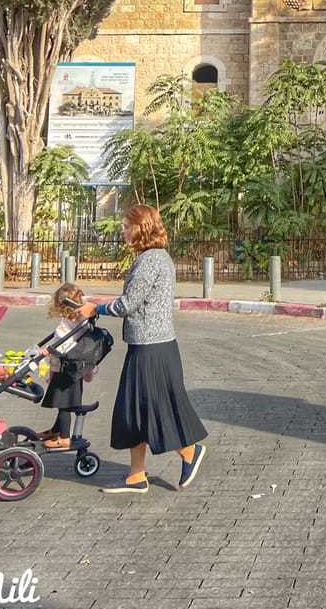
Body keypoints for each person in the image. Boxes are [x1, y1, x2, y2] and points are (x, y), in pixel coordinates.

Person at [78, 204, 207, 494]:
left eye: (127, 226)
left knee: (154, 408)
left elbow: (128, 304)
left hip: (152, 348)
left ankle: (188, 451)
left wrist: (95, 308)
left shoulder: (150, 260)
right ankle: (136, 476)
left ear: (142, 228)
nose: (123, 231)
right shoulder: (152, 258)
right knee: (134, 409)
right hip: (147, 344)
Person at [38, 282, 90, 449]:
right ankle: (56, 430)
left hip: (65, 369)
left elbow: (62, 347)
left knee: (63, 405)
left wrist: (49, 352)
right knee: (63, 402)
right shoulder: (82, 320)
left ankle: (65, 437)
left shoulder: (67, 325)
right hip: (73, 369)